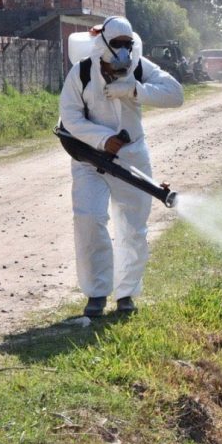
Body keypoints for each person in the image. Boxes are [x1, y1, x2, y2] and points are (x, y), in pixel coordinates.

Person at [59, 16, 184, 317]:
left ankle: (126, 294)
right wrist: (103, 140)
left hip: (132, 156)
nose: (124, 51)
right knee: (89, 219)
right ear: (102, 44)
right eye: (117, 45)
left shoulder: (139, 67)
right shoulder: (82, 73)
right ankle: (97, 293)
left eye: (128, 45)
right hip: (91, 158)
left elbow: (175, 94)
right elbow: (70, 117)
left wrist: (135, 90)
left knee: (133, 228)